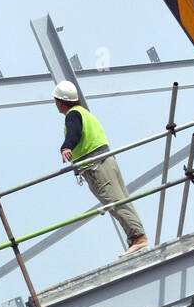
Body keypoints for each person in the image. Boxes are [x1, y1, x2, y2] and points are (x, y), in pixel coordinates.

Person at [52, 80, 148, 255]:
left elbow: (74, 132)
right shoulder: (85, 113)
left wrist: (66, 146)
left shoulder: (73, 115)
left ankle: (138, 238)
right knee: (122, 199)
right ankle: (136, 237)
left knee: (114, 202)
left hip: (96, 167)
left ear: (60, 101)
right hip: (107, 161)